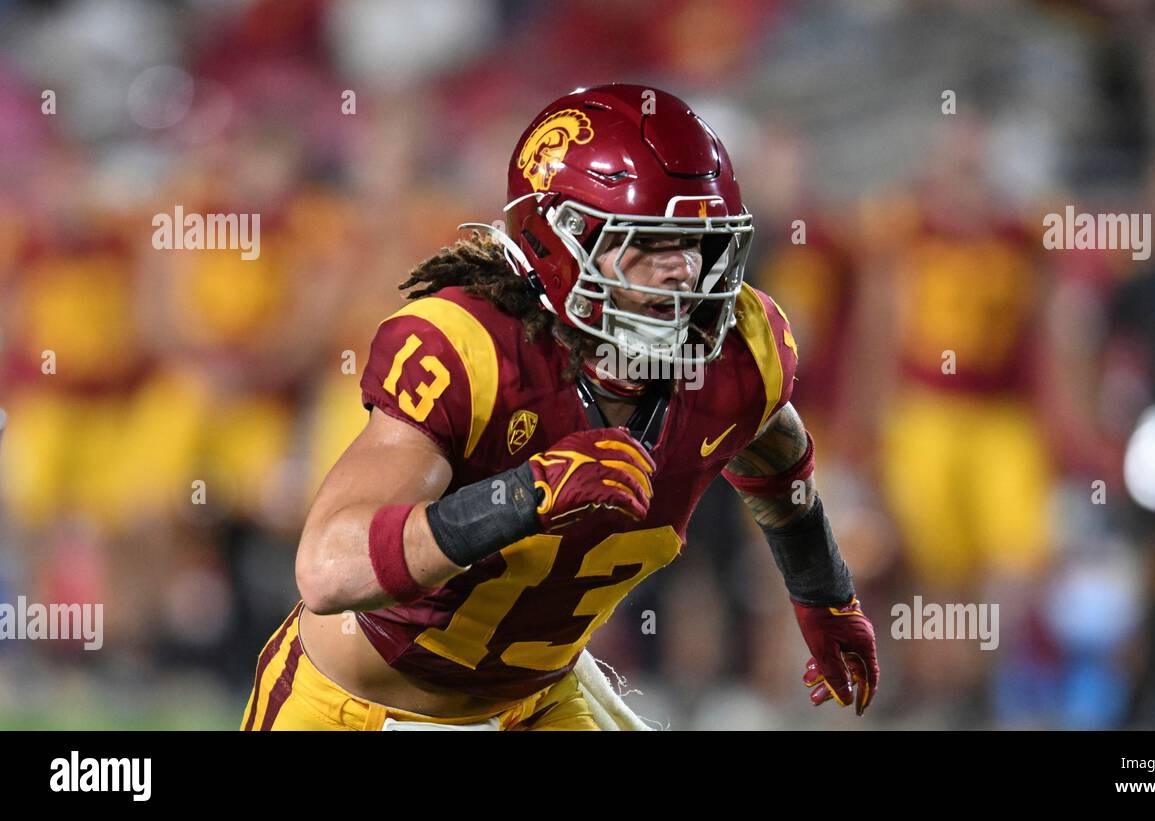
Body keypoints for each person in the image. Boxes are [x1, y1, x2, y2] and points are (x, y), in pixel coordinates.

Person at [241, 84, 878, 730]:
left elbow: (775, 448)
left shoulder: (734, 351)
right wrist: (524, 495)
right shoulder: (474, 351)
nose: (683, 272)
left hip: (537, 701)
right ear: (560, 243)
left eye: (699, 243)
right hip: (361, 707)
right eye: (648, 243)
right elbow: (327, 566)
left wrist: (824, 594)